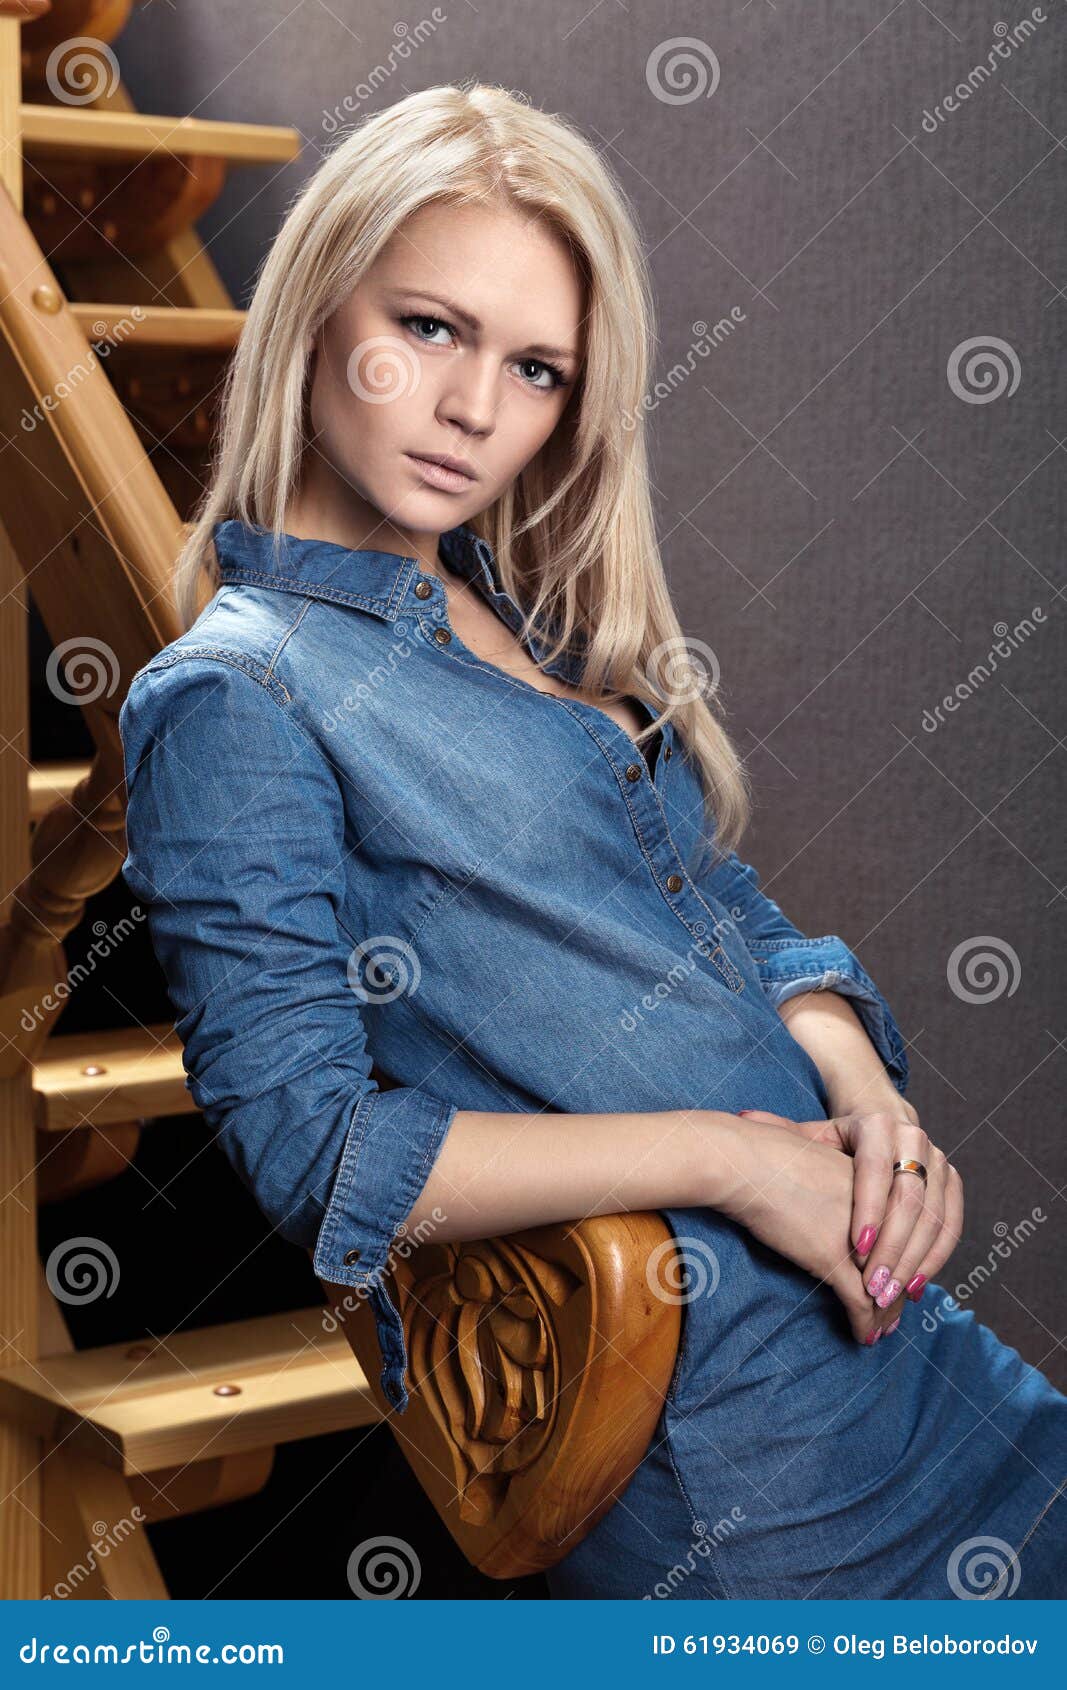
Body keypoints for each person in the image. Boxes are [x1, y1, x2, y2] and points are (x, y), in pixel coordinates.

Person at [118, 82, 1066, 1600]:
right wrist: (732, 1164)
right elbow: (320, 1154)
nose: (477, 410)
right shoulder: (236, 696)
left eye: (536, 366)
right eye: (428, 327)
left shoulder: (535, 613)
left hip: (911, 1357)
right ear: (315, 308)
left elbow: (722, 904)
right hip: (732, 1465)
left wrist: (864, 1087)